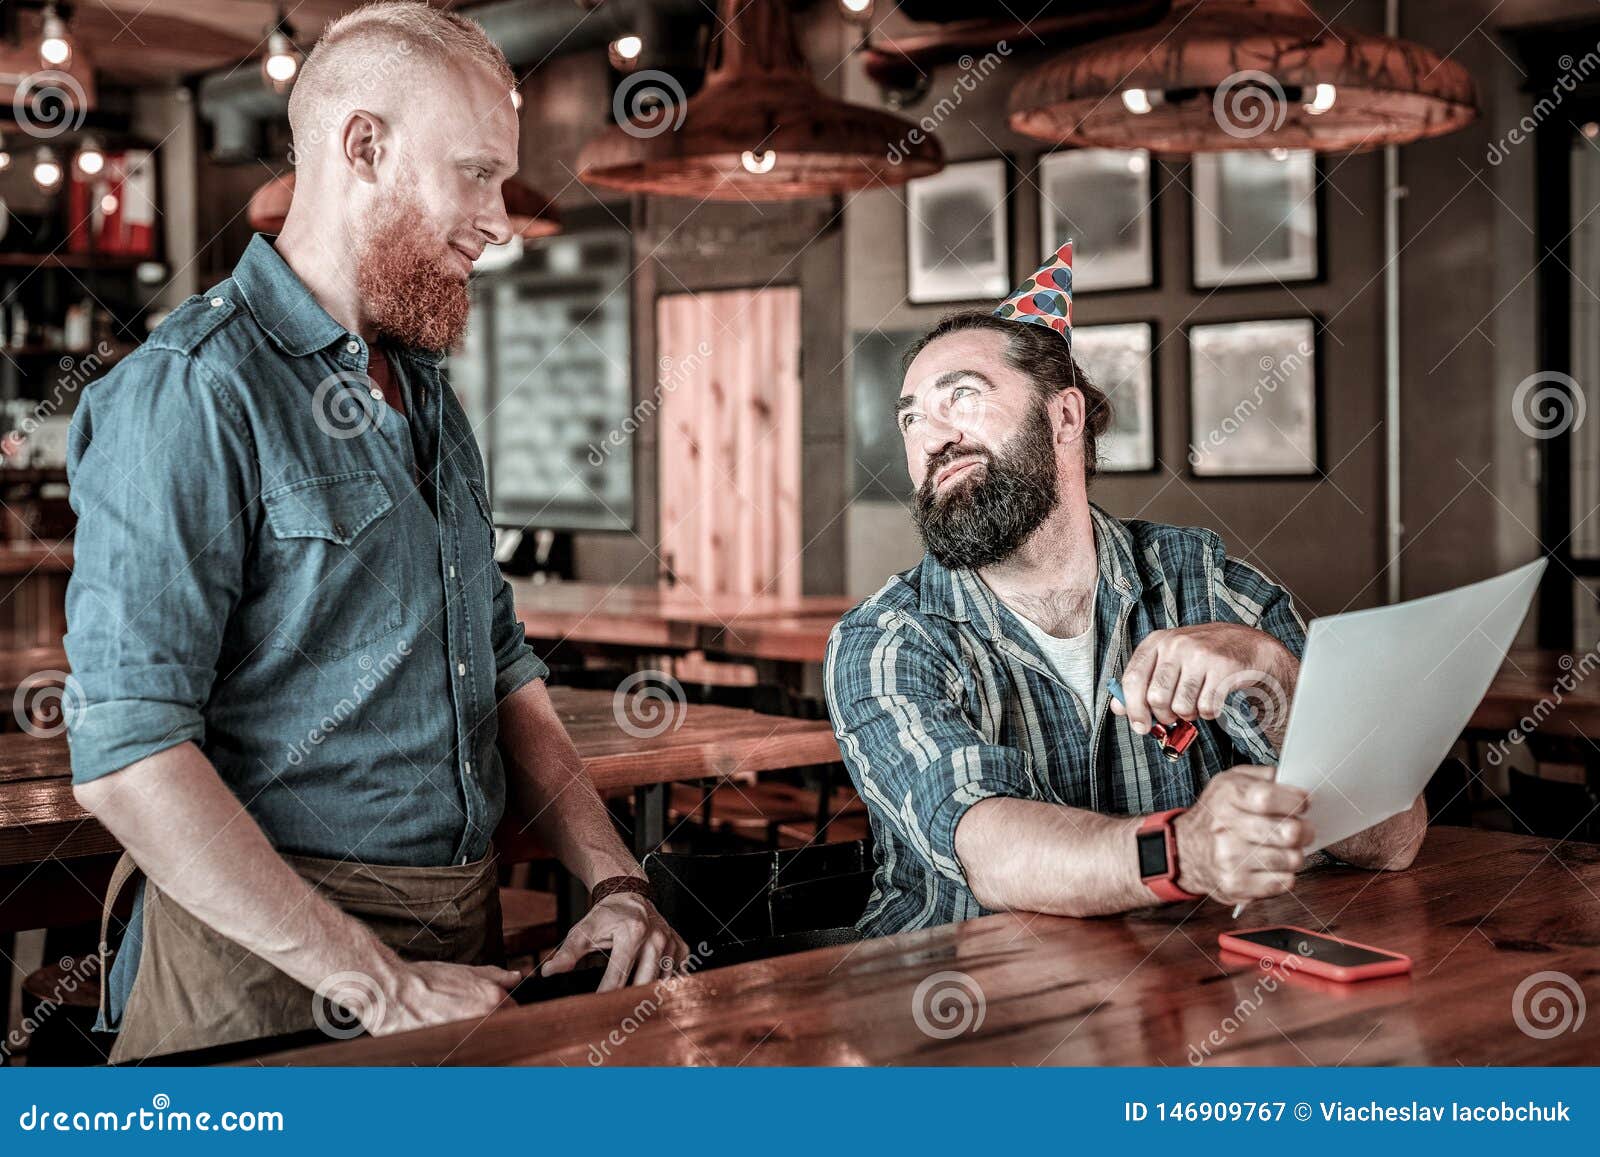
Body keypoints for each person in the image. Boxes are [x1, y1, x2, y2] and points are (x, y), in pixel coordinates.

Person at [65, 2, 684, 1063]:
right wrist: (381, 985)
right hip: (258, 974)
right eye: (478, 174)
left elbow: (496, 663)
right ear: (364, 146)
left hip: (460, 948)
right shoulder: (191, 390)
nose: (499, 220)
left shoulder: (426, 388)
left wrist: (614, 878)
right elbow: (127, 755)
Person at [824, 242, 1426, 938]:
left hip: (1188, 1001)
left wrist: (1274, 673)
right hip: (965, 1015)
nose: (931, 437)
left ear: (1065, 418)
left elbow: (1393, 838)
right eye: (911, 418)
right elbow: (992, 853)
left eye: (962, 396)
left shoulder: (1209, 585)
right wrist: (1185, 850)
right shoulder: (888, 641)